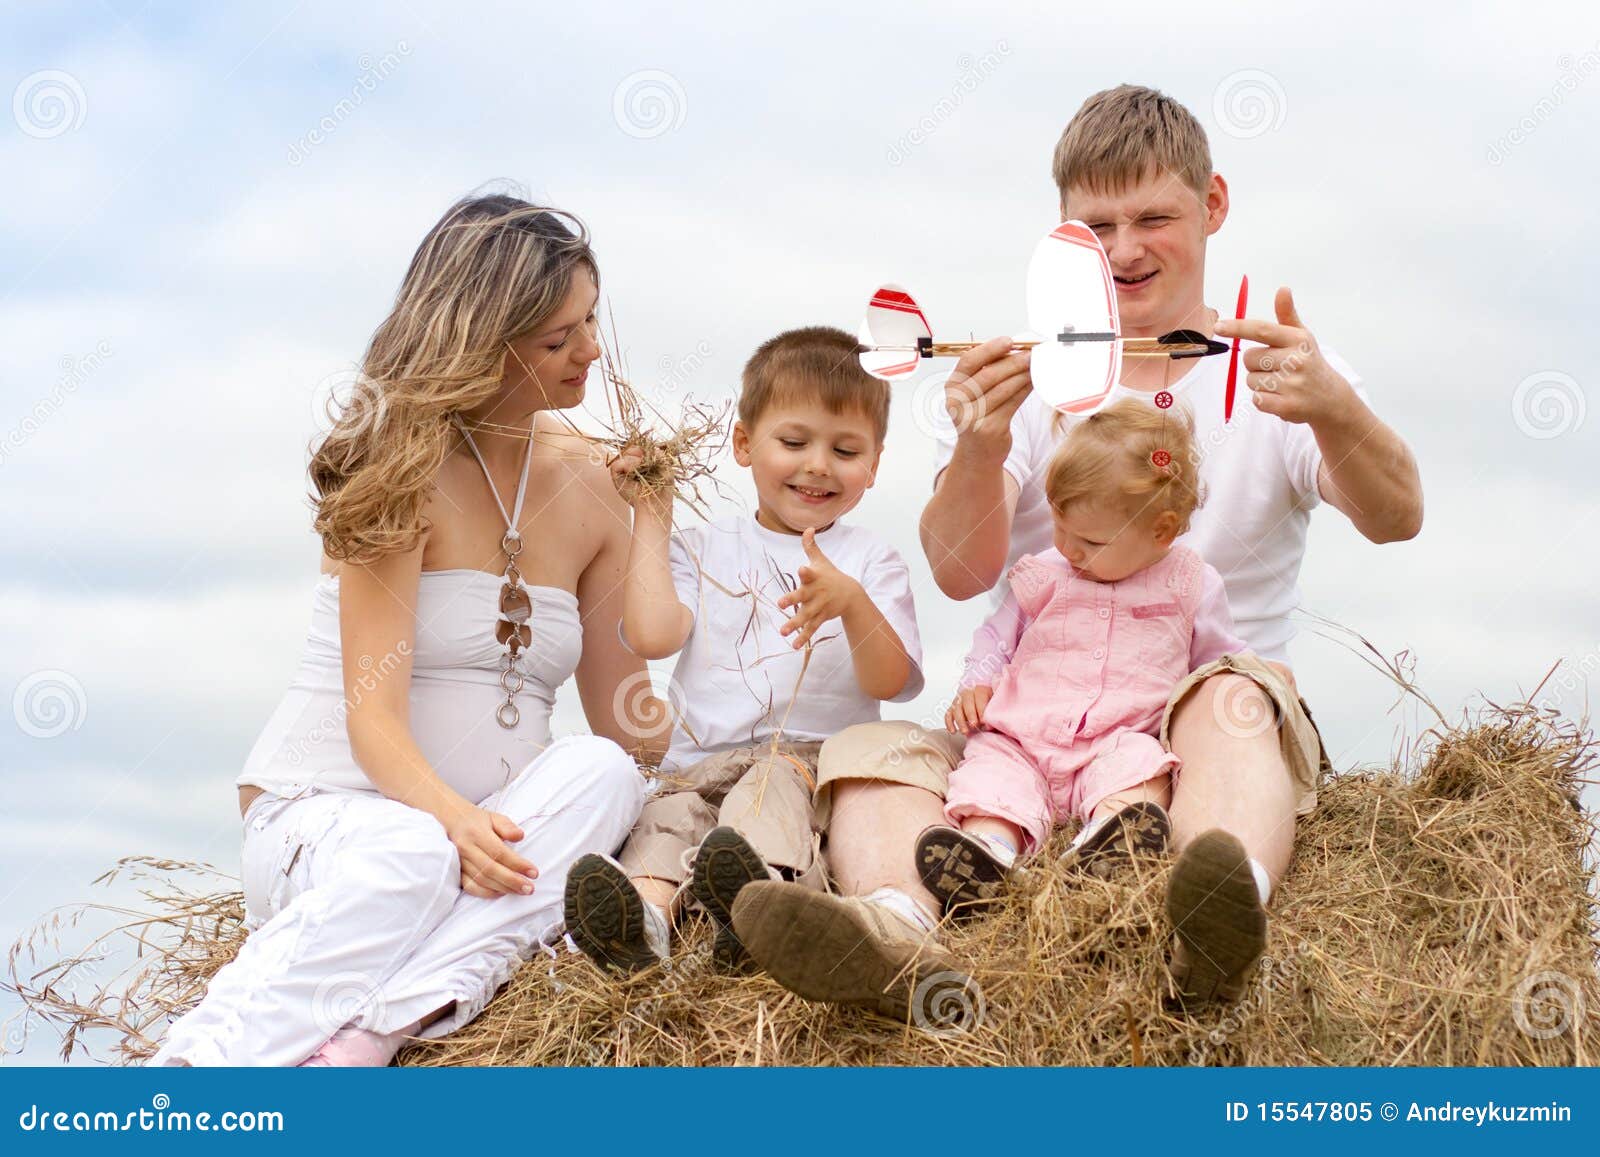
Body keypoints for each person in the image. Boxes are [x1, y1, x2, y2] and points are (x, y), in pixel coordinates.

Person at [735, 84, 1423, 1015]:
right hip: (1023, 721)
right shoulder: (1025, 380)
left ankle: (1217, 920)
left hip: (1185, 728)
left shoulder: (1280, 369)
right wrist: (980, 446)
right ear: (1062, 233)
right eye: (1097, 227)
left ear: (1213, 205)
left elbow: (1396, 516)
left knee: (1234, 699)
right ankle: (897, 931)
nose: (1127, 250)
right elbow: (959, 572)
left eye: (1155, 217)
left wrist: (1337, 411)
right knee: (867, 751)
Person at [150, 194, 657, 1066]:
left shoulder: (596, 486)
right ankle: (190, 1077)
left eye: (591, 321)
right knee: (411, 855)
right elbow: (371, 720)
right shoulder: (400, 465)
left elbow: (627, 727)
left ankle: (372, 1032)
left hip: (483, 842)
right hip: (335, 813)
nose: (593, 351)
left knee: (605, 773)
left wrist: (756, 715)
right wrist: (453, 821)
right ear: (484, 344)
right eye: (558, 338)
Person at [562, 326, 924, 974]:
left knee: (765, 795)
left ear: (874, 463)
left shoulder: (870, 560)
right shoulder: (704, 549)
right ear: (743, 443)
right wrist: (652, 514)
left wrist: (852, 604)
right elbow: (652, 634)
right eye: (794, 442)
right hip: (696, 762)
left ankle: (754, 910)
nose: (817, 464)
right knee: (667, 816)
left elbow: (892, 679)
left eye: (845, 449)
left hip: (804, 762)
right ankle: (641, 923)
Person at [922, 398, 1248, 913]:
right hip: (1022, 736)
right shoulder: (1044, 573)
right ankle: (989, 852)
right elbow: (995, 638)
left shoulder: (1191, 583)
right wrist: (977, 684)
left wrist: (1256, 676)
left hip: (1119, 739)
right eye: (1059, 527)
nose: (1069, 549)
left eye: (1090, 540)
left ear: (1160, 531)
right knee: (991, 780)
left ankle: (1105, 843)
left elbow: (1218, 661)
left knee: (1142, 774)